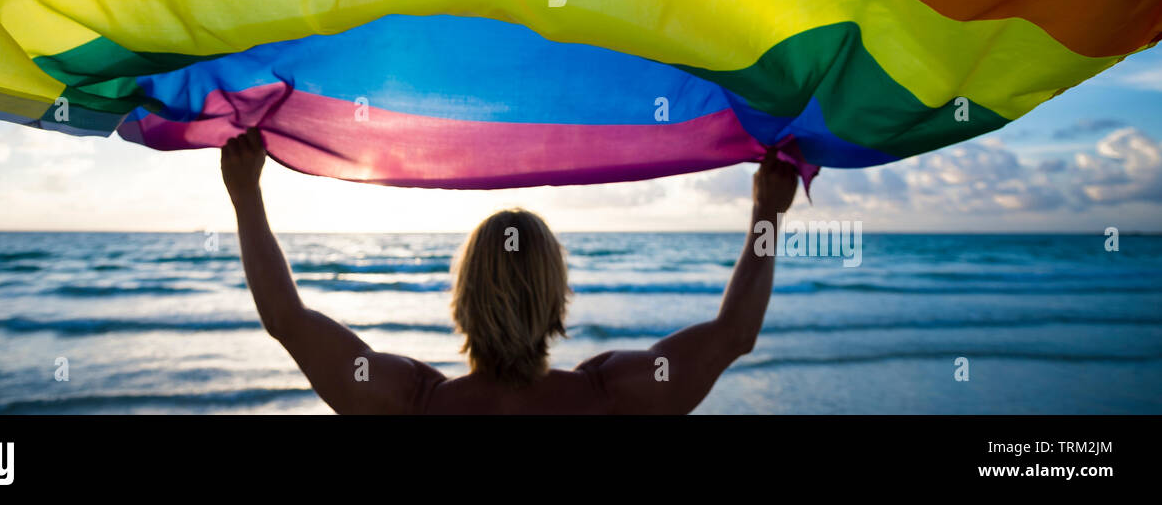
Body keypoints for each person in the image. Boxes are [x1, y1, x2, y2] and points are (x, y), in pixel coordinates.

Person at [222, 126, 801, 414]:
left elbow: (287, 321)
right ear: (557, 296)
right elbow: (734, 334)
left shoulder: (418, 401)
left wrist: (246, 196)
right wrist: (766, 213)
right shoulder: (607, 396)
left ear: (463, 297)